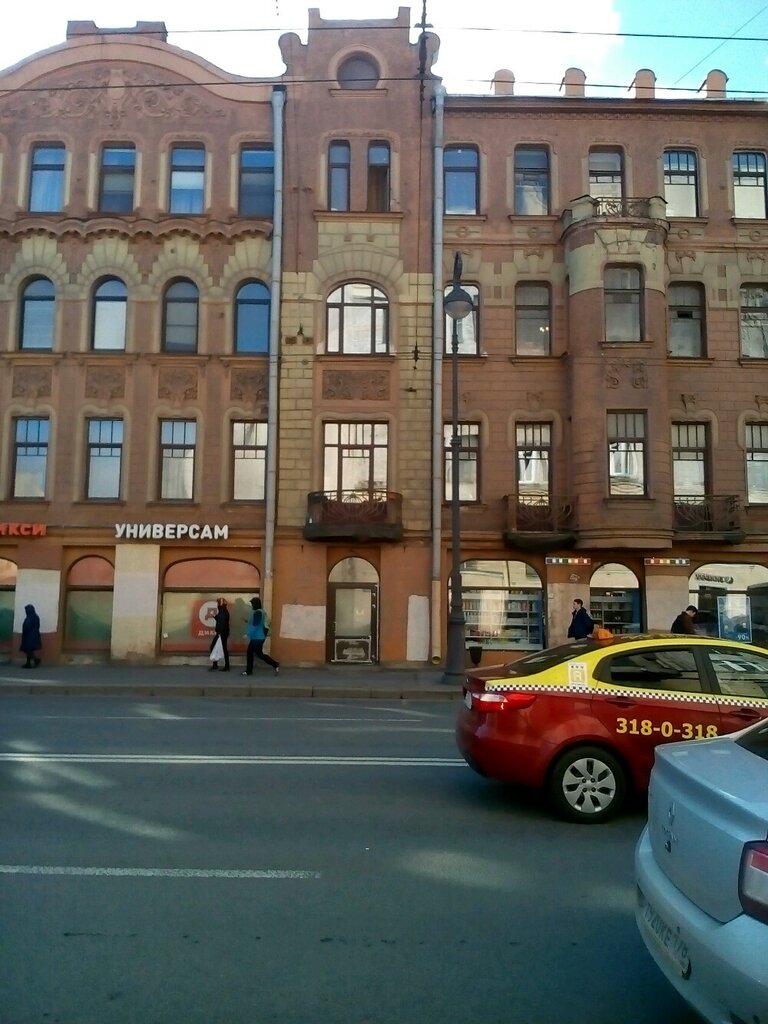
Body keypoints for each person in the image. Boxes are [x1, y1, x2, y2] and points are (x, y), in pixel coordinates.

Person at [242, 596, 279, 676]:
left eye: (252, 604)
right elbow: (258, 623)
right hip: (257, 637)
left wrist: (247, 634)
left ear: (256, 604)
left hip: (258, 638)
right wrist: (247, 621)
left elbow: (255, 625)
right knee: (250, 652)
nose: (252, 606)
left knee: (259, 654)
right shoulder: (261, 612)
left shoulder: (258, 612)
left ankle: (275, 664)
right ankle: (248, 671)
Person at [208, 597, 230, 671]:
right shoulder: (223, 611)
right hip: (223, 632)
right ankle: (225, 665)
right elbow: (220, 620)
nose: (217, 605)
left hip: (221, 632)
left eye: (218, 603)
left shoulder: (222, 611)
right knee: (223, 648)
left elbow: (221, 623)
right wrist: (215, 616)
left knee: (214, 647)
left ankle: (219, 665)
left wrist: (219, 633)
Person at [20, 604, 42, 668]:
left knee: (27, 649)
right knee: (29, 649)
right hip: (34, 635)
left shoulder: (30, 617)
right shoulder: (35, 616)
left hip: (29, 636)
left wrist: (25, 631)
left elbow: (27, 626)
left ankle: (36, 660)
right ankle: (28, 663)